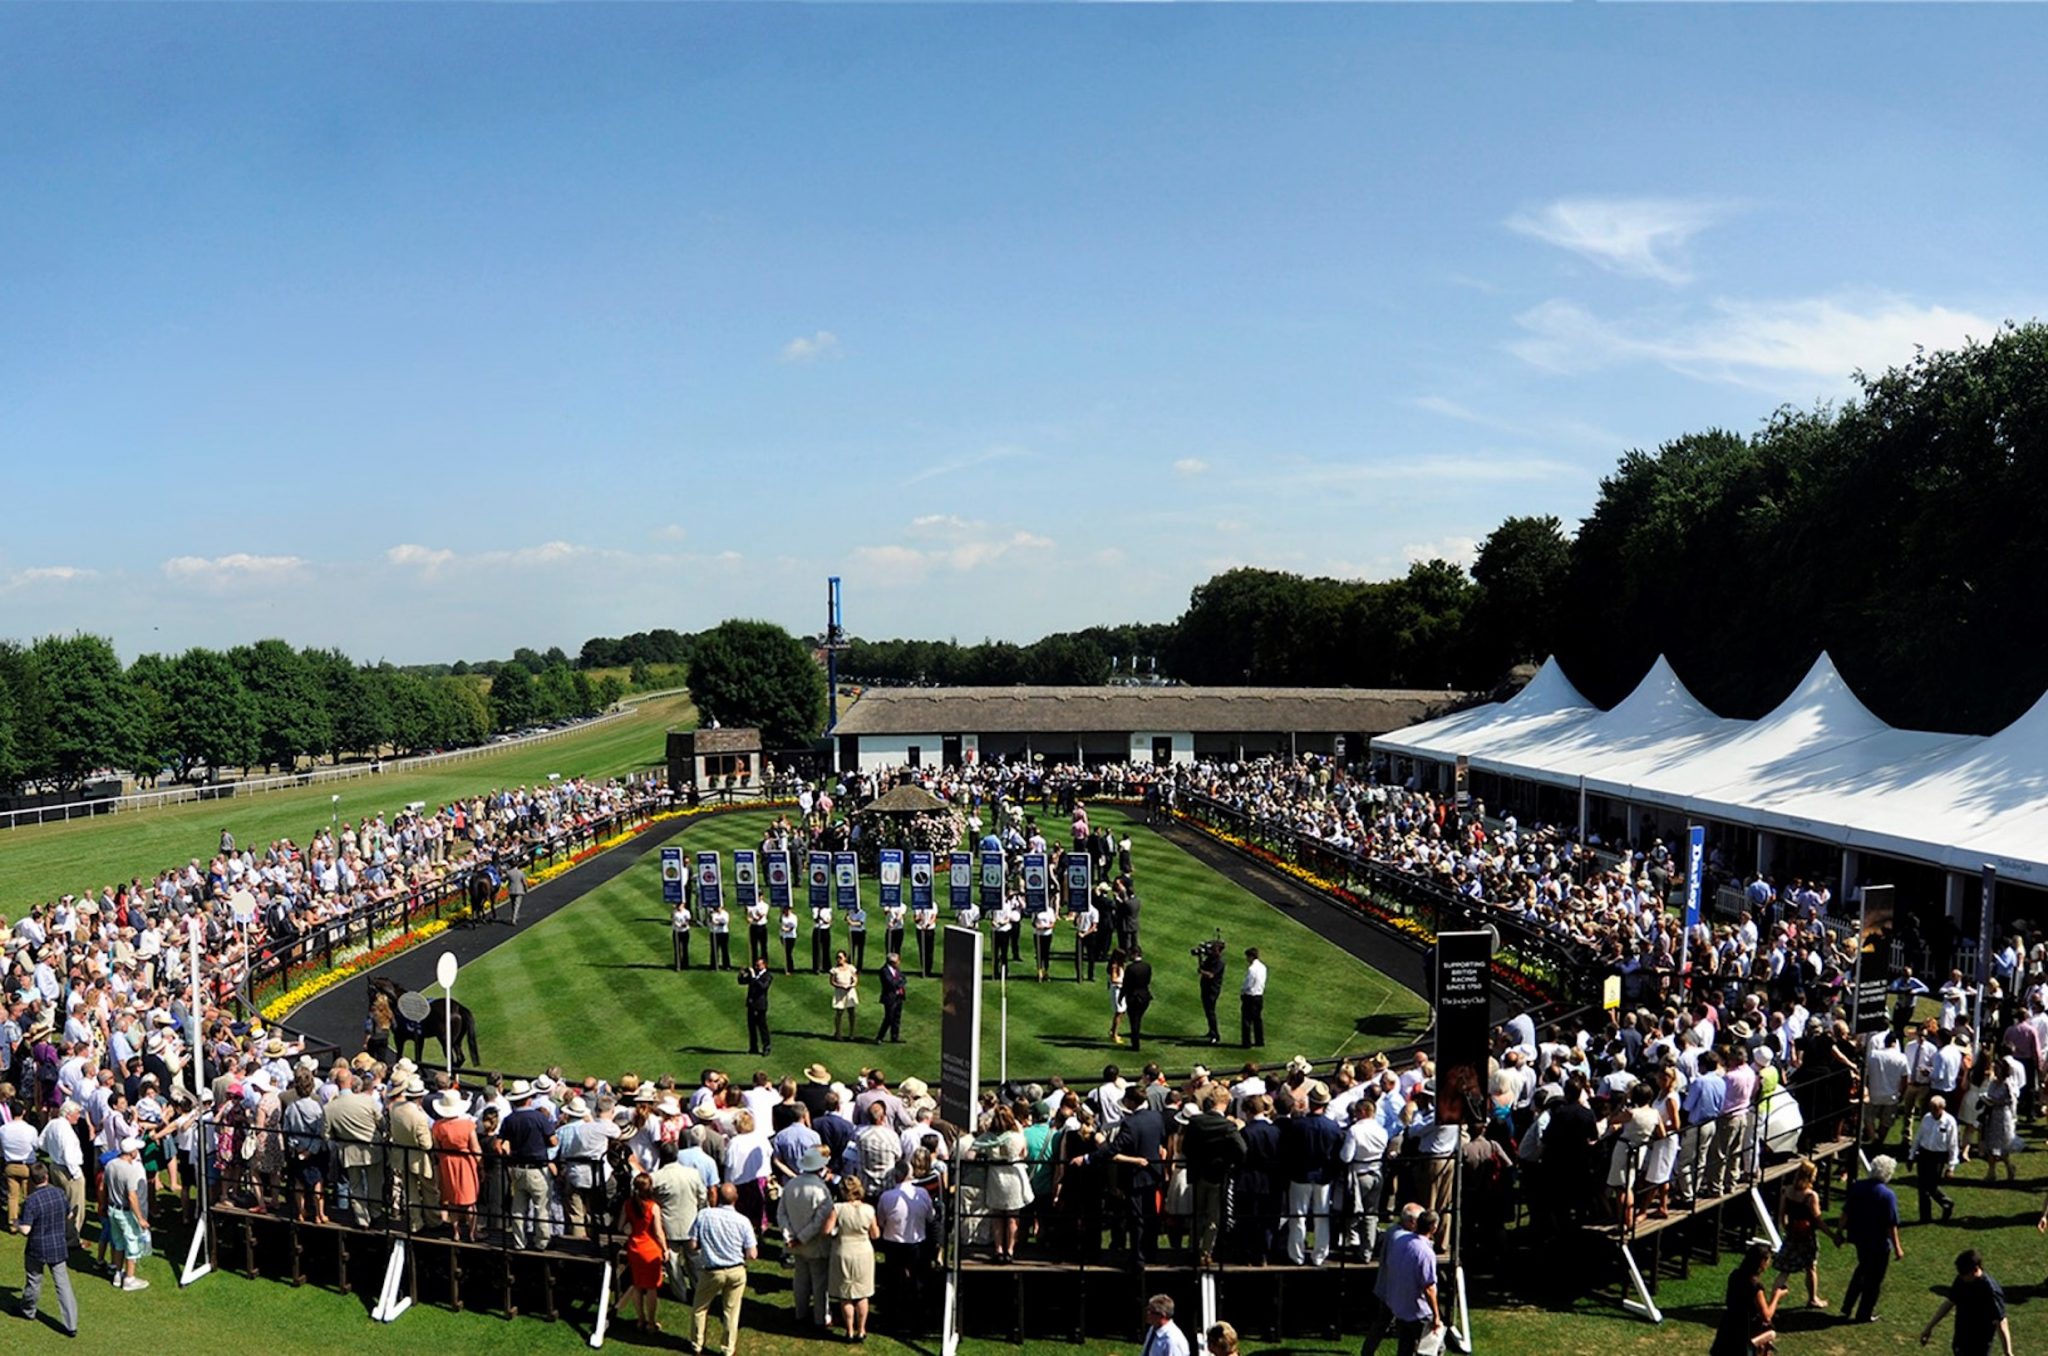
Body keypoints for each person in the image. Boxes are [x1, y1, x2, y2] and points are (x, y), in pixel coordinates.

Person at [687, 1182, 759, 1356]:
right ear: (736, 1199)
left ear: (718, 1197)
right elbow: (752, 1254)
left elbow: (692, 1244)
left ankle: (697, 1346)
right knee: (731, 1311)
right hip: (736, 1271)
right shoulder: (743, 1221)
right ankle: (728, 1349)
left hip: (711, 1271)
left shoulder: (703, 1215)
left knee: (700, 1308)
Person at [1840, 1153, 1904, 1325]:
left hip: (1859, 1238)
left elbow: (1846, 1212)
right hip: (1878, 1242)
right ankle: (1864, 1313)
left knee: (1861, 1270)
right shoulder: (1887, 1195)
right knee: (1874, 1280)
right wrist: (1898, 1248)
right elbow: (1892, 1224)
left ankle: (1847, 1306)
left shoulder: (1857, 1187)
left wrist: (1839, 1231)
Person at [13, 1163, 77, 1336]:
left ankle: (28, 1311)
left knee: (34, 1281)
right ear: (46, 1176)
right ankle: (71, 1325)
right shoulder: (59, 1193)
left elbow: (26, 1230)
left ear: (32, 1181)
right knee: (63, 1285)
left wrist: (17, 1223)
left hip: (37, 1248)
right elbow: (69, 1215)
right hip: (57, 1245)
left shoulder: (31, 1201)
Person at [779, 1146, 835, 1329]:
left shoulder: (791, 1185)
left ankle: (800, 1313)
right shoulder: (821, 1190)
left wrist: (790, 1236)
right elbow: (820, 1221)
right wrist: (801, 1237)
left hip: (796, 1242)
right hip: (814, 1243)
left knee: (801, 1279)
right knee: (819, 1283)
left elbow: (781, 1214)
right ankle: (821, 1317)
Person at [1920, 1249, 2011, 1356]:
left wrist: (2008, 1352)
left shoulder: (1990, 1291)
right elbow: (1949, 1303)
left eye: (1964, 1274)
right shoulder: (1961, 1280)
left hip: (1979, 1345)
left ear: (1975, 1270)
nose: (1961, 1277)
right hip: (1961, 1339)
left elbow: (2001, 1321)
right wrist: (1929, 1327)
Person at [828, 1174, 881, 1342]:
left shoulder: (838, 1208)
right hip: (863, 1251)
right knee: (862, 1294)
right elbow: (875, 1234)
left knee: (846, 1295)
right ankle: (862, 1329)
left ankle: (849, 1330)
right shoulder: (869, 1209)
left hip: (843, 1250)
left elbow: (827, 1230)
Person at [1383, 1208, 1442, 1356]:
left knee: (1405, 1349)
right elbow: (1428, 1288)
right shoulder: (1426, 1253)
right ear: (1433, 1228)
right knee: (1434, 1348)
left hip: (1400, 1306)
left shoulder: (1400, 1241)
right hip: (1418, 1311)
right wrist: (1436, 1316)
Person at [617, 1171, 669, 1331]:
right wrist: (665, 1249)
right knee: (652, 1287)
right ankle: (652, 1323)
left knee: (637, 1285)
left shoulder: (627, 1204)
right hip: (650, 1249)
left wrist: (629, 1228)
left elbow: (620, 1226)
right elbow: (659, 1233)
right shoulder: (653, 1207)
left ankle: (640, 1320)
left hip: (634, 1248)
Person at [1772, 1158, 1828, 1310]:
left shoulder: (1788, 1191)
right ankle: (1812, 1298)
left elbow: (1782, 1214)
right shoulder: (1811, 1196)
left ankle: (1772, 1301)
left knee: (1785, 1271)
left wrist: (1787, 1228)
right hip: (1807, 1237)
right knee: (1811, 1267)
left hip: (1792, 1234)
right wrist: (1832, 1235)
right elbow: (1818, 1220)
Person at [1711, 1241, 1784, 1356]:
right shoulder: (1755, 1286)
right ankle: (1753, 1344)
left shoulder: (1735, 1275)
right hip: (1744, 1329)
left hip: (1729, 1324)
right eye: (1768, 1260)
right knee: (1771, 1334)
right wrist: (1777, 1296)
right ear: (1762, 1262)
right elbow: (1767, 1316)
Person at [431, 1087, 483, 1241]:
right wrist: (481, 1166)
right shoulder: (467, 1125)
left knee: (452, 1199)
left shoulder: (437, 1126)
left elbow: (436, 1147)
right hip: (465, 1162)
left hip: (447, 1162)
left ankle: (456, 1232)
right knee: (470, 1200)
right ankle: (473, 1233)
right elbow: (476, 1148)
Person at [105, 1135, 151, 1291]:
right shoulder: (130, 1171)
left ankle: (118, 1274)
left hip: (112, 1209)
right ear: (132, 1152)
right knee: (132, 1245)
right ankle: (130, 1279)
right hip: (125, 1213)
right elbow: (132, 1197)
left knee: (118, 1243)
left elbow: (104, 1187)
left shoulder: (110, 1165)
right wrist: (141, 1219)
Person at [1912, 1093, 1960, 1223]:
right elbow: (1918, 1137)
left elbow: (1953, 1144)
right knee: (1922, 1187)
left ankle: (1946, 1202)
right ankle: (1925, 1217)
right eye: (1931, 1108)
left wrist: (1951, 1166)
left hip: (1938, 1157)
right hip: (1924, 1153)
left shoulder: (1949, 1122)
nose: (1932, 1111)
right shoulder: (1926, 1118)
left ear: (1942, 1108)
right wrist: (1911, 1155)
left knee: (1931, 1186)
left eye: (1935, 1108)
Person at [740, 956, 775, 1056]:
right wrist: (742, 974)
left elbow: (763, 987)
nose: (757, 966)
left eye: (758, 965)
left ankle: (766, 1047)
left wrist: (754, 976)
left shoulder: (768, 976)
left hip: (760, 1005)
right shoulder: (754, 974)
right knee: (751, 1027)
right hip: (751, 1004)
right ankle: (753, 1047)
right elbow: (742, 982)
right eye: (756, 965)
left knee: (762, 1027)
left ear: (764, 965)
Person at [1123, 947, 1155, 1053]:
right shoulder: (1147, 966)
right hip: (1145, 996)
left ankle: (1135, 1044)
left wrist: (1121, 997)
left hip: (1134, 997)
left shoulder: (1130, 968)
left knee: (1134, 1021)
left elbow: (1126, 984)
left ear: (1134, 954)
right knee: (1138, 1019)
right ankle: (1135, 1041)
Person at [1198, 940, 1226, 1045]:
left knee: (1210, 1012)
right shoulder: (1211, 959)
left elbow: (1211, 975)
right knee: (1207, 1011)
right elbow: (1202, 966)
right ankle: (1211, 1031)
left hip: (1212, 990)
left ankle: (1215, 1035)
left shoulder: (1219, 962)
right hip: (1205, 988)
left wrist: (1202, 972)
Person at [877, 953, 908, 1044]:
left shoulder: (896, 969)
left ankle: (895, 1037)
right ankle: (880, 1037)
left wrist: (900, 982)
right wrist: (900, 982)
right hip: (890, 997)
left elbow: (903, 978)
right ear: (892, 962)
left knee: (897, 1018)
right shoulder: (884, 971)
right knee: (889, 1018)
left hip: (899, 996)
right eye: (898, 961)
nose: (899, 962)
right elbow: (891, 983)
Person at [831, 950, 861, 1040]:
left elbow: (855, 979)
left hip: (850, 992)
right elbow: (832, 981)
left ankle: (852, 1033)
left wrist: (852, 985)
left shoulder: (851, 968)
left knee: (851, 1012)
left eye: (840, 957)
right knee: (839, 1013)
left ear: (845, 958)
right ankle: (838, 1033)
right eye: (837, 957)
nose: (838, 959)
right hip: (840, 992)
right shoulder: (834, 970)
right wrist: (840, 986)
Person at [1241, 948, 1267, 1048]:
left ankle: (1246, 1043)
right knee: (1257, 1019)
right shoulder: (1263, 967)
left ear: (1251, 956)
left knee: (1246, 1020)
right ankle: (1259, 1041)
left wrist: (1242, 991)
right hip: (1259, 996)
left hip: (1250, 996)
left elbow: (1248, 984)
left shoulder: (1252, 969)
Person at [1107, 950, 1129, 1045]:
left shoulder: (1120, 965)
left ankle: (1112, 1031)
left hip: (1121, 990)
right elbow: (1113, 979)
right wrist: (1124, 983)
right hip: (1117, 990)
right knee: (1119, 1012)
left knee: (1122, 1011)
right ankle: (1114, 1034)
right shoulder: (1115, 966)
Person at [709, 902, 733, 970]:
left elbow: (724, 923)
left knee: (725, 949)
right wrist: (715, 921)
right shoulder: (713, 914)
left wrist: (716, 922)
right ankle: (713, 965)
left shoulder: (725, 914)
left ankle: (726, 965)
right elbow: (711, 922)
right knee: (714, 950)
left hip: (723, 933)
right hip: (714, 933)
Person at [505, 860, 529, 925]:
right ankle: (514, 919)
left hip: (511, 890)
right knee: (517, 905)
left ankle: (515, 916)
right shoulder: (520, 872)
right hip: (519, 890)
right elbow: (524, 882)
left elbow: (505, 879)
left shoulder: (509, 872)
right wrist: (526, 889)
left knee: (513, 904)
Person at [673, 898, 693, 970]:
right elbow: (673, 920)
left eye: (680, 905)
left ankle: (685, 964)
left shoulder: (686, 912)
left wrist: (684, 924)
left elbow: (688, 920)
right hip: (677, 931)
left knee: (685, 948)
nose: (679, 906)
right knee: (677, 948)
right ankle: (678, 964)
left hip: (685, 931)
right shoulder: (675, 912)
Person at [780, 904, 800, 974]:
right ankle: (788, 967)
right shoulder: (783, 916)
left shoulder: (793, 917)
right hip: (784, 936)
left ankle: (790, 968)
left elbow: (792, 927)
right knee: (786, 952)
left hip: (791, 936)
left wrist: (785, 929)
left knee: (788, 952)